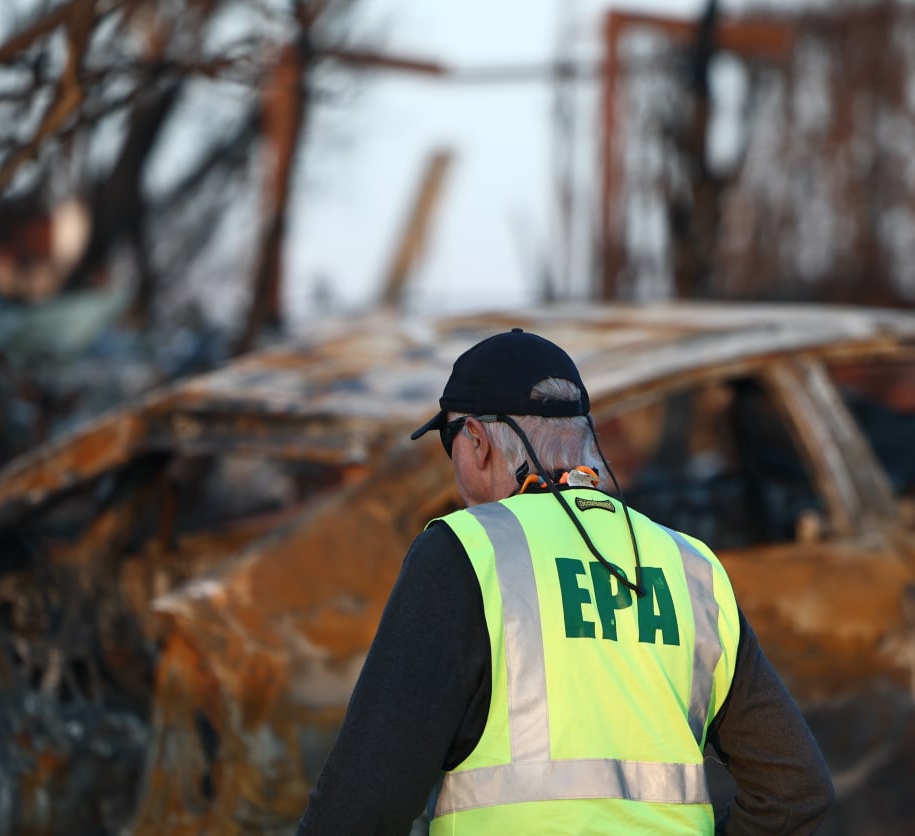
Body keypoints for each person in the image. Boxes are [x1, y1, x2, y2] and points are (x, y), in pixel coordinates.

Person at [297, 328, 834, 835]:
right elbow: (795, 789)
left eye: (449, 441)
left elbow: (363, 805)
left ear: (477, 441)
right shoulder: (692, 567)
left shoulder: (465, 553)